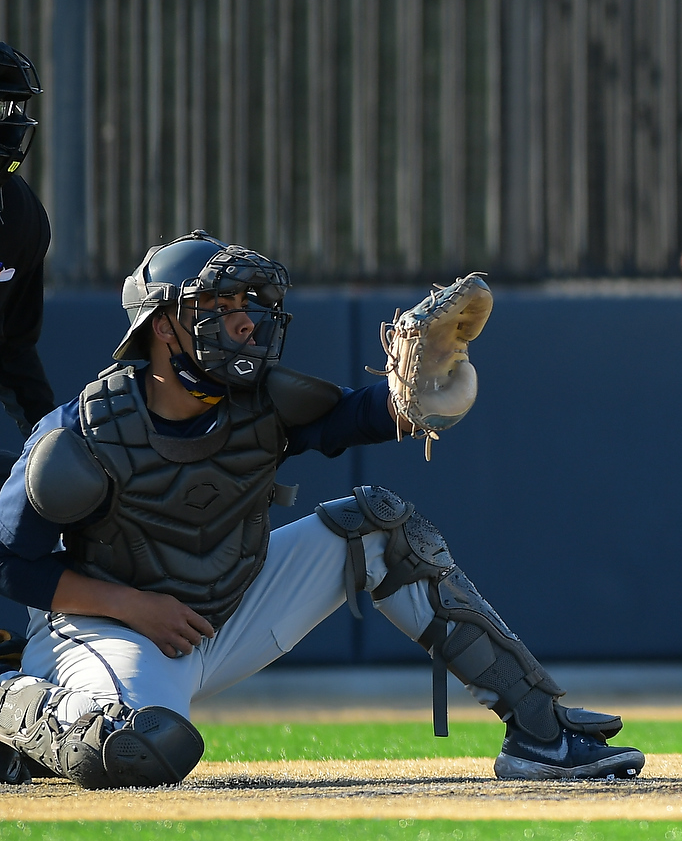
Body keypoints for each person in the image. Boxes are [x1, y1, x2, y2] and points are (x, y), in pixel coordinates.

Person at [0, 232, 645, 788]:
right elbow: (10, 566)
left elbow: (361, 415)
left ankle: (540, 733)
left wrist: (413, 392)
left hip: (218, 612)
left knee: (379, 527)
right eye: (218, 307)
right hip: (110, 629)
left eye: (246, 303)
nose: (245, 320)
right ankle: (15, 707)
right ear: (162, 326)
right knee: (142, 752)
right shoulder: (80, 434)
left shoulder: (261, 403)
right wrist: (136, 607)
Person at [0, 44, 55, 452]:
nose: (10, 123)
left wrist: (49, 440)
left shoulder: (19, 216)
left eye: (11, 108)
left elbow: (11, 346)